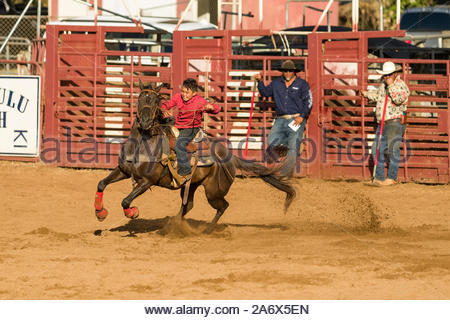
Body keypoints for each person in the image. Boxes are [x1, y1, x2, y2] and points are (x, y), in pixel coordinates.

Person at [255, 59, 313, 178]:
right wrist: (260, 82)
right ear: (282, 72)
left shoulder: (302, 84)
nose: (287, 73)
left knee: (292, 146)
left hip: (296, 118)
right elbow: (266, 93)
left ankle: (286, 174)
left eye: (289, 71)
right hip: (281, 118)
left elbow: (309, 101)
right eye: (285, 71)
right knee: (272, 141)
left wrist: (302, 116)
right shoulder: (276, 83)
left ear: (294, 72)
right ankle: (294, 146)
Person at [161, 78, 220, 182]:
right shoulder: (178, 97)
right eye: (183, 91)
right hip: (178, 124)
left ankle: (185, 169)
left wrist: (211, 107)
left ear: (194, 93)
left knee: (180, 144)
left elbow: (216, 108)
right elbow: (167, 104)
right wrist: (163, 109)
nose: (184, 94)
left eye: (187, 92)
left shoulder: (200, 101)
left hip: (191, 128)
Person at [362, 61, 410, 186]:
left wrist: (391, 86)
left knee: (393, 150)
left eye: (388, 75)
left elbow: (398, 100)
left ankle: (392, 177)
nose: (386, 77)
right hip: (382, 122)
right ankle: (379, 178)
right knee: (376, 150)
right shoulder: (384, 85)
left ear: (394, 74)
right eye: (385, 75)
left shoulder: (401, 85)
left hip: (395, 122)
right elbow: (379, 96)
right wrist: (366, 94)